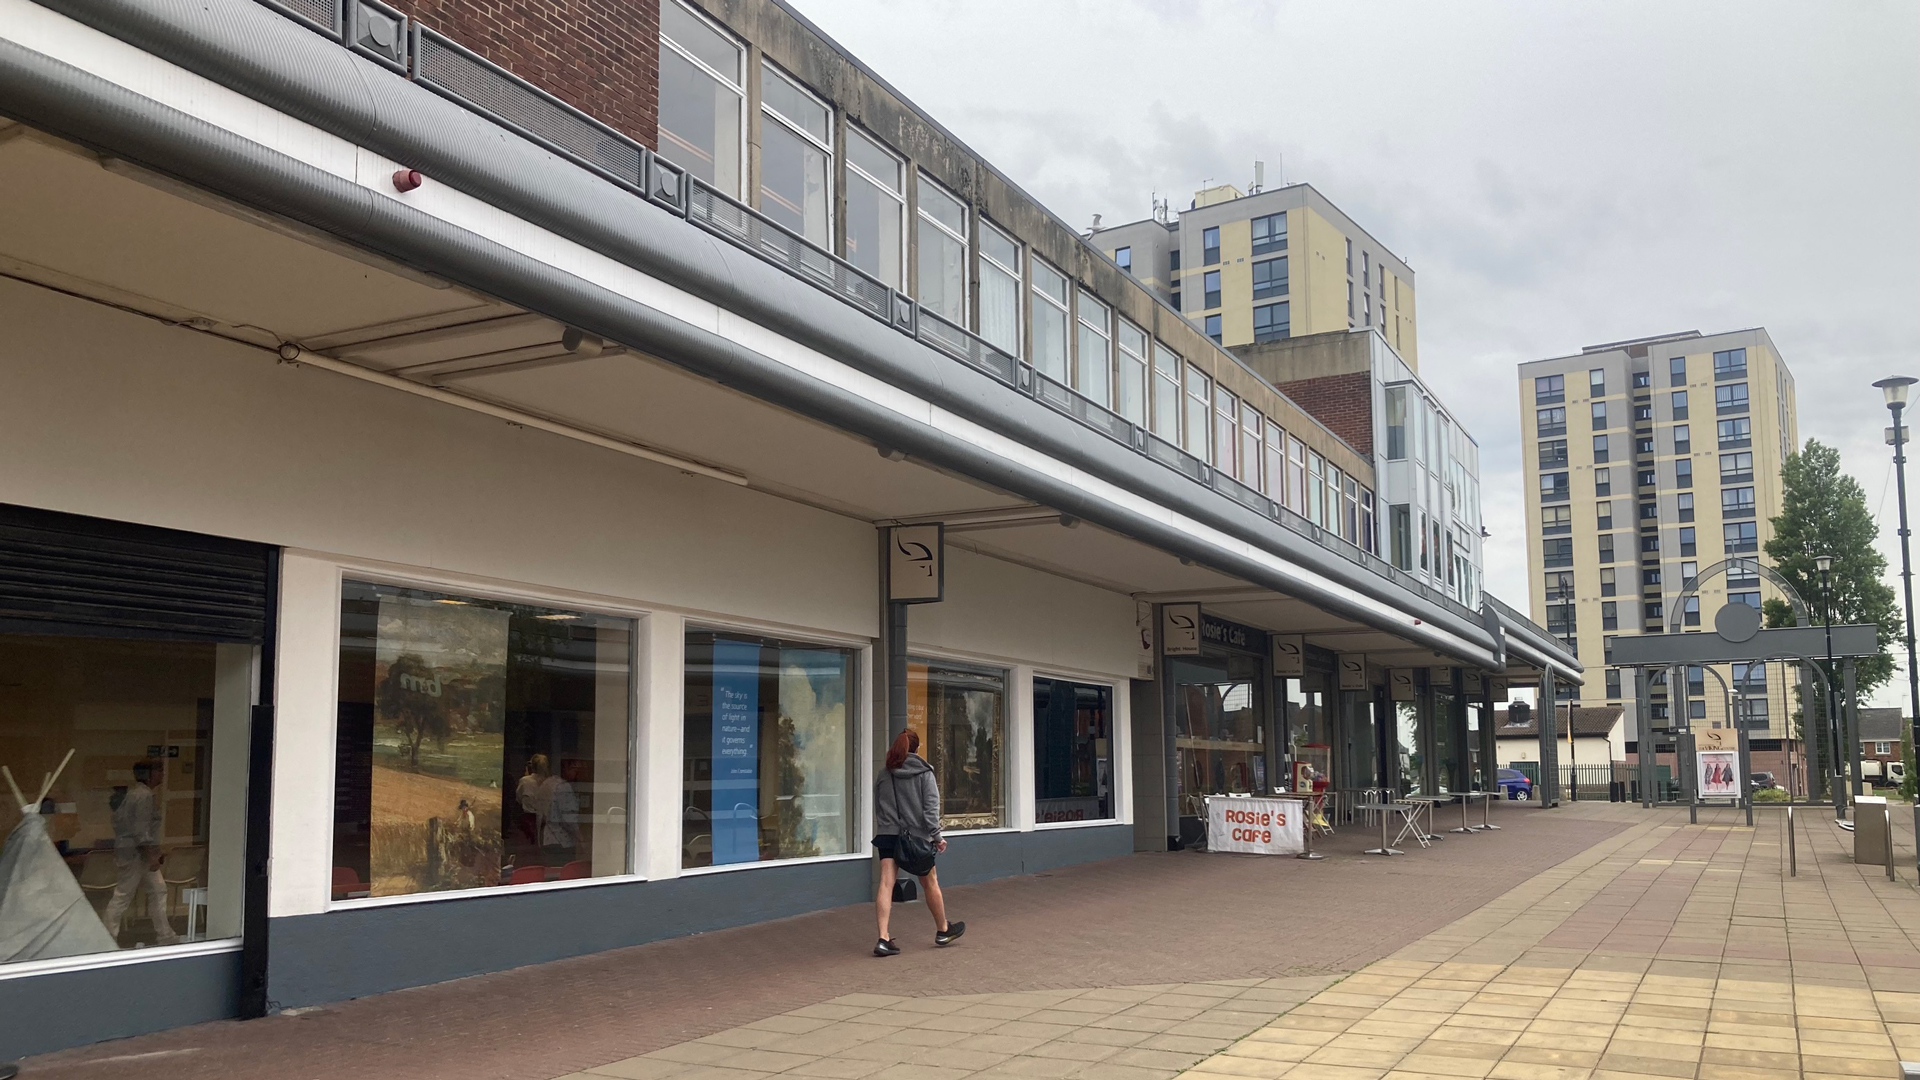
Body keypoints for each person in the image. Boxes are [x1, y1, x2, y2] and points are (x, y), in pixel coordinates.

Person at [871, 730, 964, 956]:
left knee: (886, 883)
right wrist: (937, 837)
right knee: (930, 882)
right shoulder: (924, 773)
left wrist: (887, 829)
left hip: (888, 836)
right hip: (916, 839)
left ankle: (883, 938)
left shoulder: (884, 774)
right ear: (916, 749)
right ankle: (943, 930)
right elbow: (930, 811)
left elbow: (879, 806)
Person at [102, 760, 179, 946]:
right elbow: (141, 830)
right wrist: (152, 855)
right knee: (123, 895)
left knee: (158, 890)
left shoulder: (135, 794)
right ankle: (106, 937)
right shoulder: (143, 796)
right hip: (136, 854)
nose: (162, 774)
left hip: (134, 851)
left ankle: (165, 935)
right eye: (159, 770)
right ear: (149, 774)